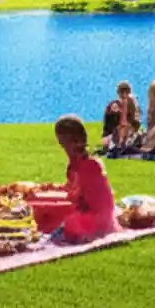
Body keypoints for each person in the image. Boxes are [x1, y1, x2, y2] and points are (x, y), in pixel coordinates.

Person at [51, 115, 118, 244]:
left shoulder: (88, 166)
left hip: (97, 217)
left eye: (62, 142)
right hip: (95, 212)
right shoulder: (78, 164)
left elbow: (79, 197)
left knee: (63, 220)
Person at [101, 81, 142, 151]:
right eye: (122, 92)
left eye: (126, 92)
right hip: (114, 133)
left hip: (128, 132)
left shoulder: (132, 105)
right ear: (118, 93)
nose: (124, 95)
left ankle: (122, 145)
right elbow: (108, 125)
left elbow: (136, 122)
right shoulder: (113, 105)